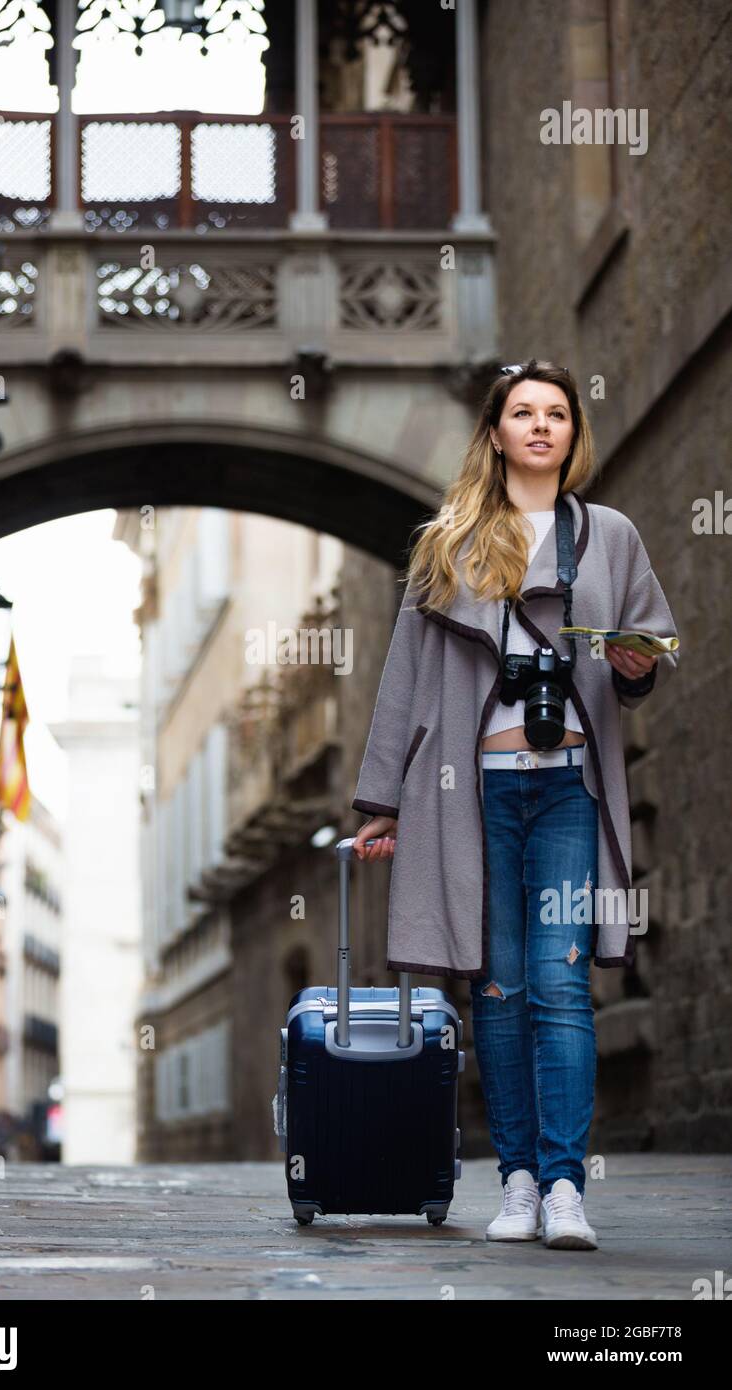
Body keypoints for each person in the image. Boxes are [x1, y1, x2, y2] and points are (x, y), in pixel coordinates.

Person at [352, 358, 679, 1251]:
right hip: (476, 792)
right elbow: (406, 680)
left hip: (571, 783)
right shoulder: (448, 541)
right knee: (495, 988)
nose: (541, 426)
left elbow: (650, 639)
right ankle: (522, 1181)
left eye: (558, 414)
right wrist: (381, 800)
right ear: (495, 431)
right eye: (524, 412)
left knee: (559, 984)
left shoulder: (608, 536)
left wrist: (636, 665)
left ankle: (569, 1188)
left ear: (575, 433)